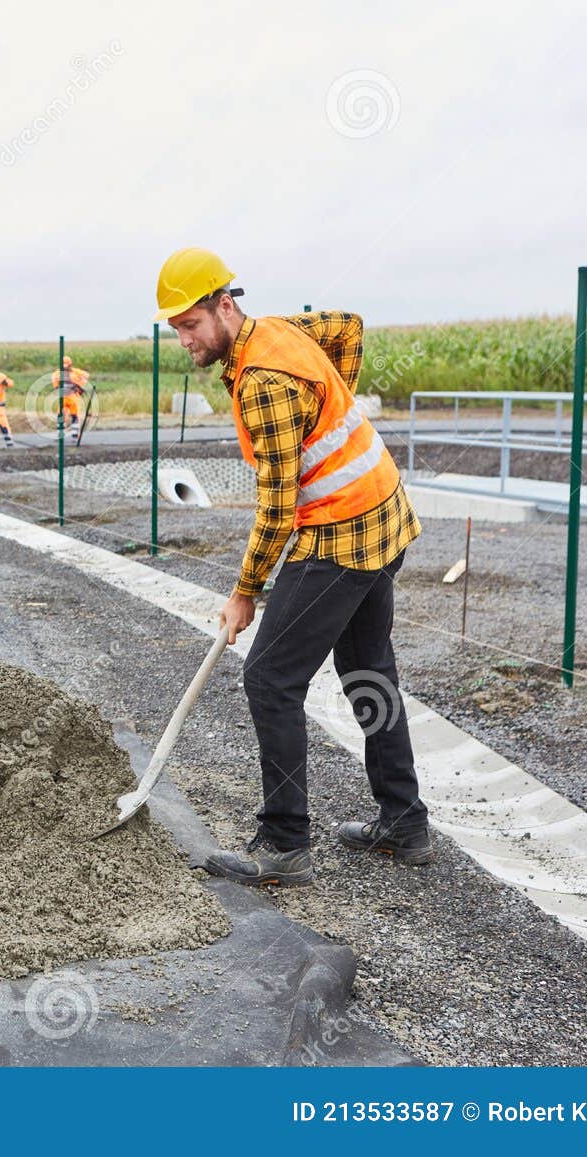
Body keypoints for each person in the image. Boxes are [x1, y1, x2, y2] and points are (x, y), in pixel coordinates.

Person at [153, 247, 430, 887]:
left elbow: (276, 510)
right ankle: (404, 820)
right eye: (177, 329)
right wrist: (334, 402)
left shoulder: (262, 384)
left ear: (225, 305)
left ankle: (283, 844)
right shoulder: (280, 330)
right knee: (367, 668)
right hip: (383, 515)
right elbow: (349, 327)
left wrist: (245, 592)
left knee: (270, 679)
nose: (186, 340)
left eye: (191, 324)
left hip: (340, 535)